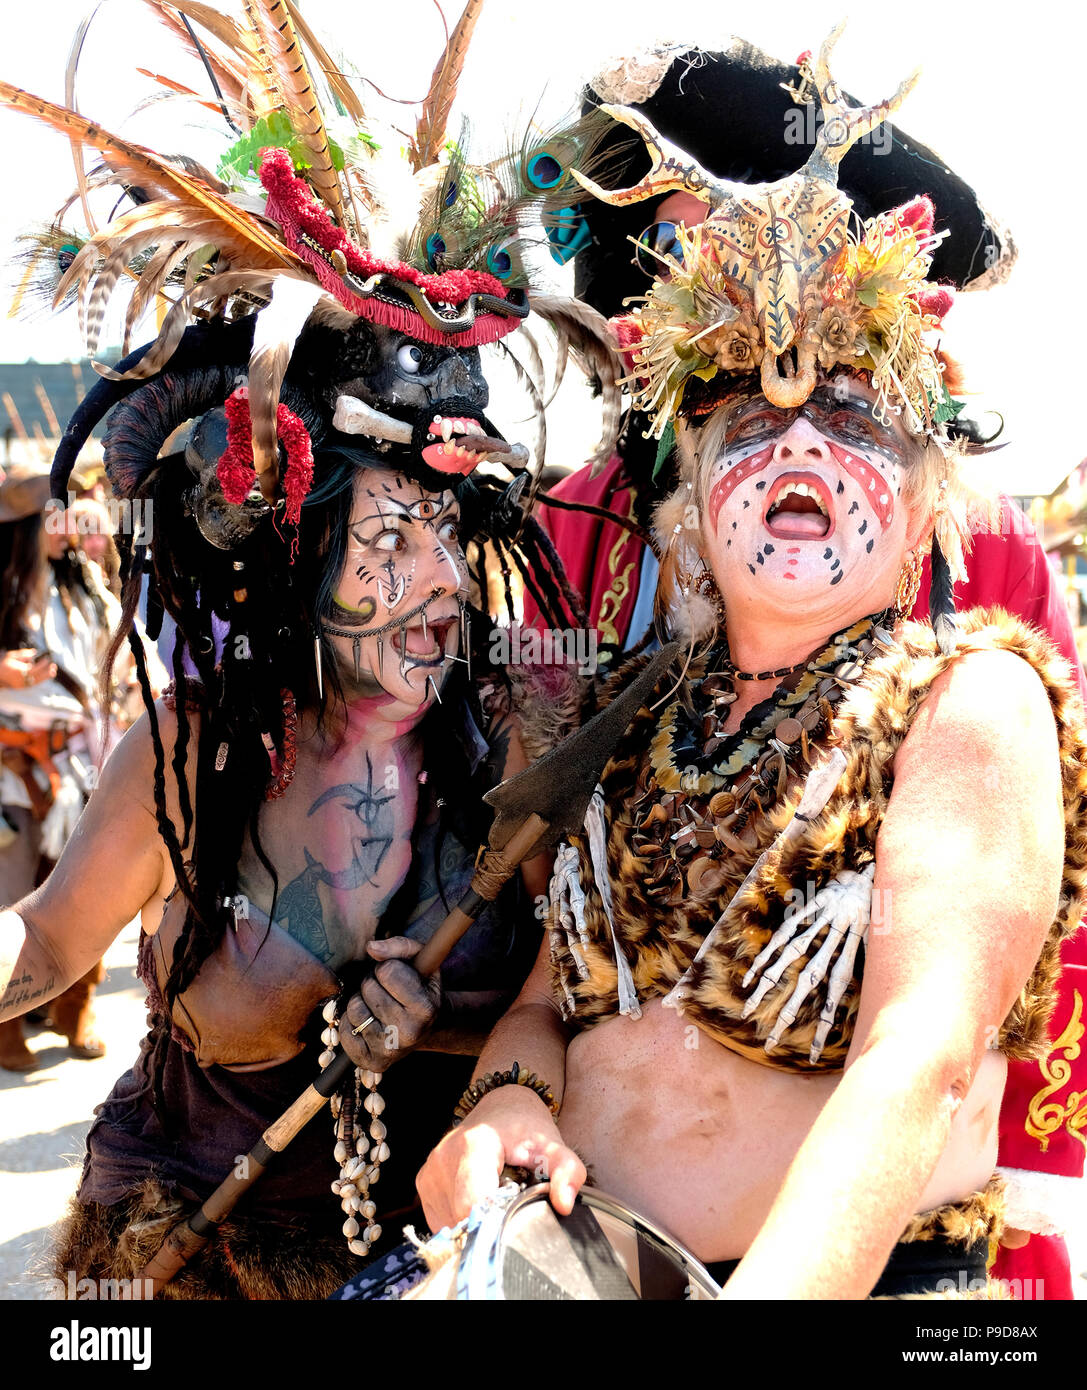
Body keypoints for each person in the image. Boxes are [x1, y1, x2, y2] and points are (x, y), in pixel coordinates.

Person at [413, 32, 1087, 1299]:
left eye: (840, 399)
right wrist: (500, 1095)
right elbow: (551, 917)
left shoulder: (972, 580)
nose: (792, 434)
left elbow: (957, 1000)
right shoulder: (573, 529)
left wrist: (1032, 1160)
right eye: (686, 257)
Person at [0, 5, 592, 1298]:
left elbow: (571, 1003)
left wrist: (471, 1062)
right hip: (178, 1257)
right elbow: (42, 948)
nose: (439, 575)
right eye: (388, 540)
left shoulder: (522, 739)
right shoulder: (200, 747)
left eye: (448, 527)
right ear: (292, 562)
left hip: (422, 1266)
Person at [0, 465, 133, 1070]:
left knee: (82, 902)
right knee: (11, 905)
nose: (65, 528)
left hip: (81, 774)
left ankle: (74, 1010)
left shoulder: (84, 587)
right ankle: (4, 1031)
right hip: (12, 776)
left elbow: (123, 659)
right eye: (50, 518)